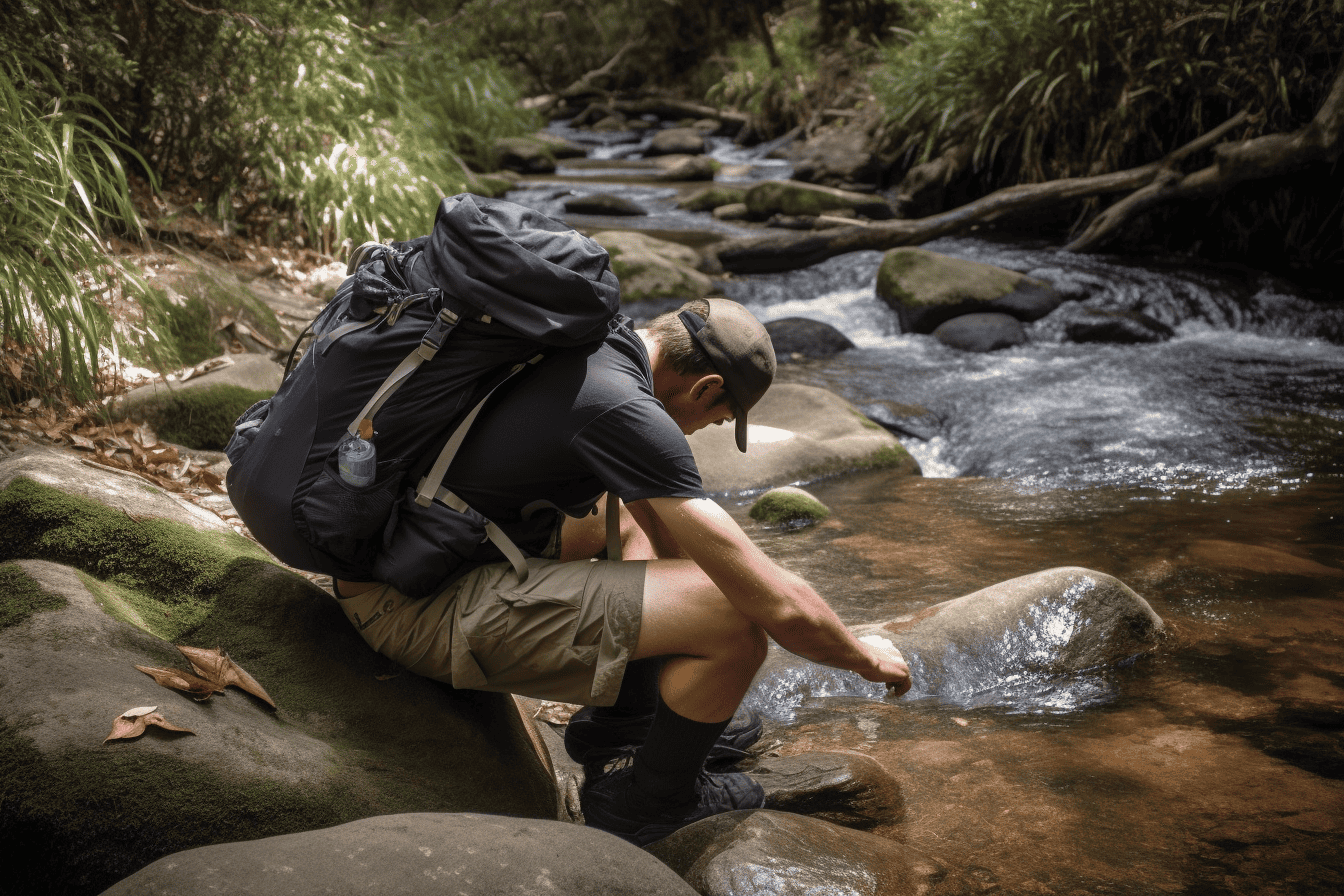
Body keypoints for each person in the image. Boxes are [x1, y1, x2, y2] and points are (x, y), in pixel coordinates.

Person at [331, 296, 911, 846]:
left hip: (395, 561)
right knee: (736, 618)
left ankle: (625, 724)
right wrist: (864, 657)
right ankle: (649, 805)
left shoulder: (597, 348)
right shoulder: (622, 408)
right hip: (410, 610)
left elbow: (675, 547)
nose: (697, 432)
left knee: (631, 511)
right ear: (706, 387)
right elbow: (777, 604)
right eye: (714, 420)